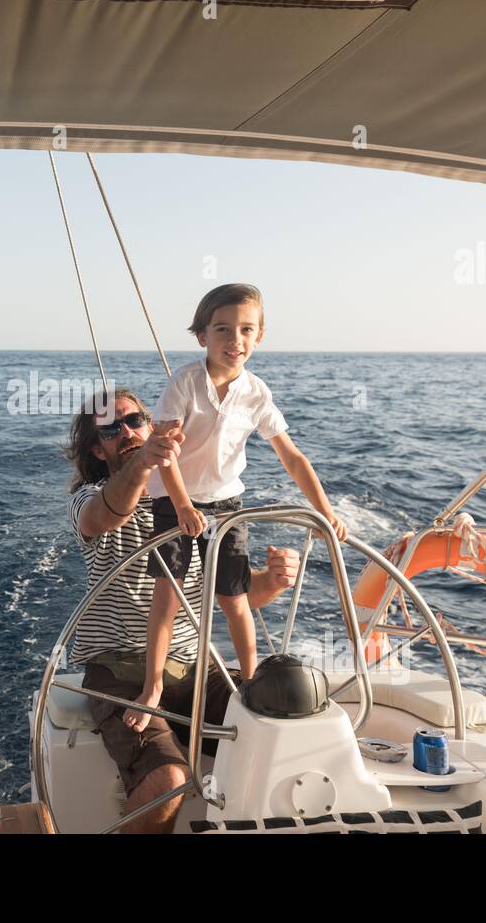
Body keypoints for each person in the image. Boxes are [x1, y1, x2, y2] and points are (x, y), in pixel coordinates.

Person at [65, 389, 300, 833]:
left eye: (135, 420)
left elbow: (236, 597)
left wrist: (273, 579)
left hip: (197, 667)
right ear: (98, 449)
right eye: (112, 430)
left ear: (151, 424)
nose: (128, 432)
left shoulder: (193, 501)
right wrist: (144, 463)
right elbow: (105, 515)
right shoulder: (88, 499)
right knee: (169, 780)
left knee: (278, 725)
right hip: (119, 673)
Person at [131, 283, 345, 732]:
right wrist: (184, 505)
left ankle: (251, 685)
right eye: (223, 329)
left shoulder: (257, 392)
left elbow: (292, 457)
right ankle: (151, 685)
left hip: (228, 505)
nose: (235, 340)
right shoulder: (185, 382)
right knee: (167, 599)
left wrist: (324, 512)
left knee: (235, 598)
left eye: (247, 330)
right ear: (202, 336)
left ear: (260, 336)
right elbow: (165, 452)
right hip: (175, 500)